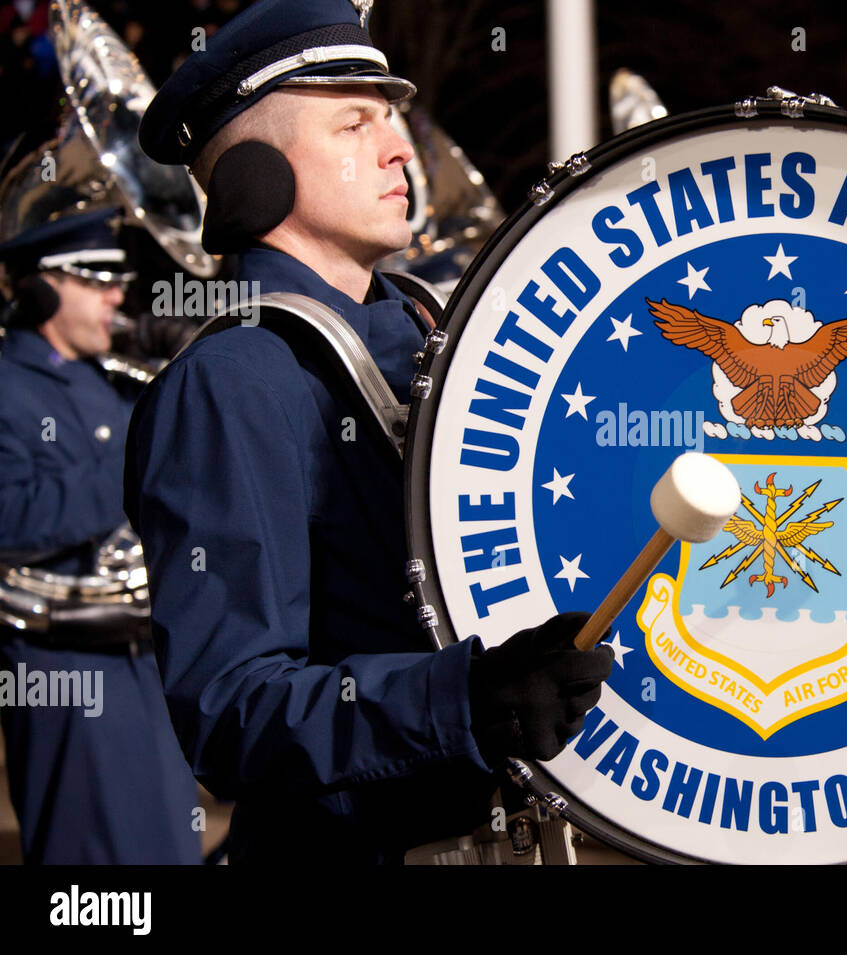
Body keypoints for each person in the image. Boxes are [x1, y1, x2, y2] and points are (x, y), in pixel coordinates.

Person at [126, 0, 612, 864]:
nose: (401, 149)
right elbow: (231, 711)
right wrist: (466, 699)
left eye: (393, 118)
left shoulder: (437, 339)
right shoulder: (231, 381)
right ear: (255, 171)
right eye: (355, 122)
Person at [0, 207, 201, 863]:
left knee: (168, 846)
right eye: (100, 280)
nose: (119, 296)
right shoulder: (9, 386)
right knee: (91, 864)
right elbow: (11, 518)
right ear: (44, 287)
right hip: (65, 666)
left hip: (146, 658)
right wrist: (140, 450)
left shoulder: (114, 379)